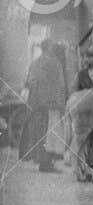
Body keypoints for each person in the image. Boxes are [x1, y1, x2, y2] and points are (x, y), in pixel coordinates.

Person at [23, 39, 67, 171]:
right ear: (49, 48)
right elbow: (61, 85)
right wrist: (61, 103)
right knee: (51, 134)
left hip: (37, 103)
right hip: (51, 105)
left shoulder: (35, 63)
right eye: (52, 47)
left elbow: (28, 82)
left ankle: (41, 161)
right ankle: (46, 163)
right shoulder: (55, 63)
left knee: (38, 132)